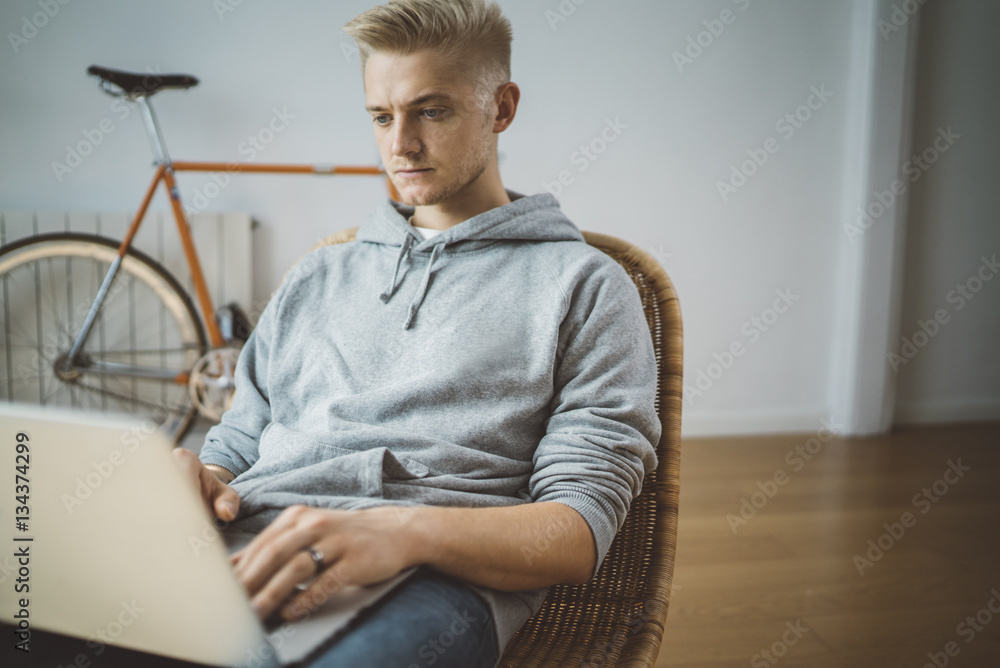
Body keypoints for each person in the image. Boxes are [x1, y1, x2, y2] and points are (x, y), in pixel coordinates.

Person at [173, 0, 660, 666]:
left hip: (427, 580)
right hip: (249, 543)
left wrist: (401, 533)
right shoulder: (317, 273)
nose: (399, 145)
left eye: (431, 111)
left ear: (502, 107)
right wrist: (199, 478)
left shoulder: (584, 286)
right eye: (381, 116)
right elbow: (238, 436)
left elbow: (576, 534)